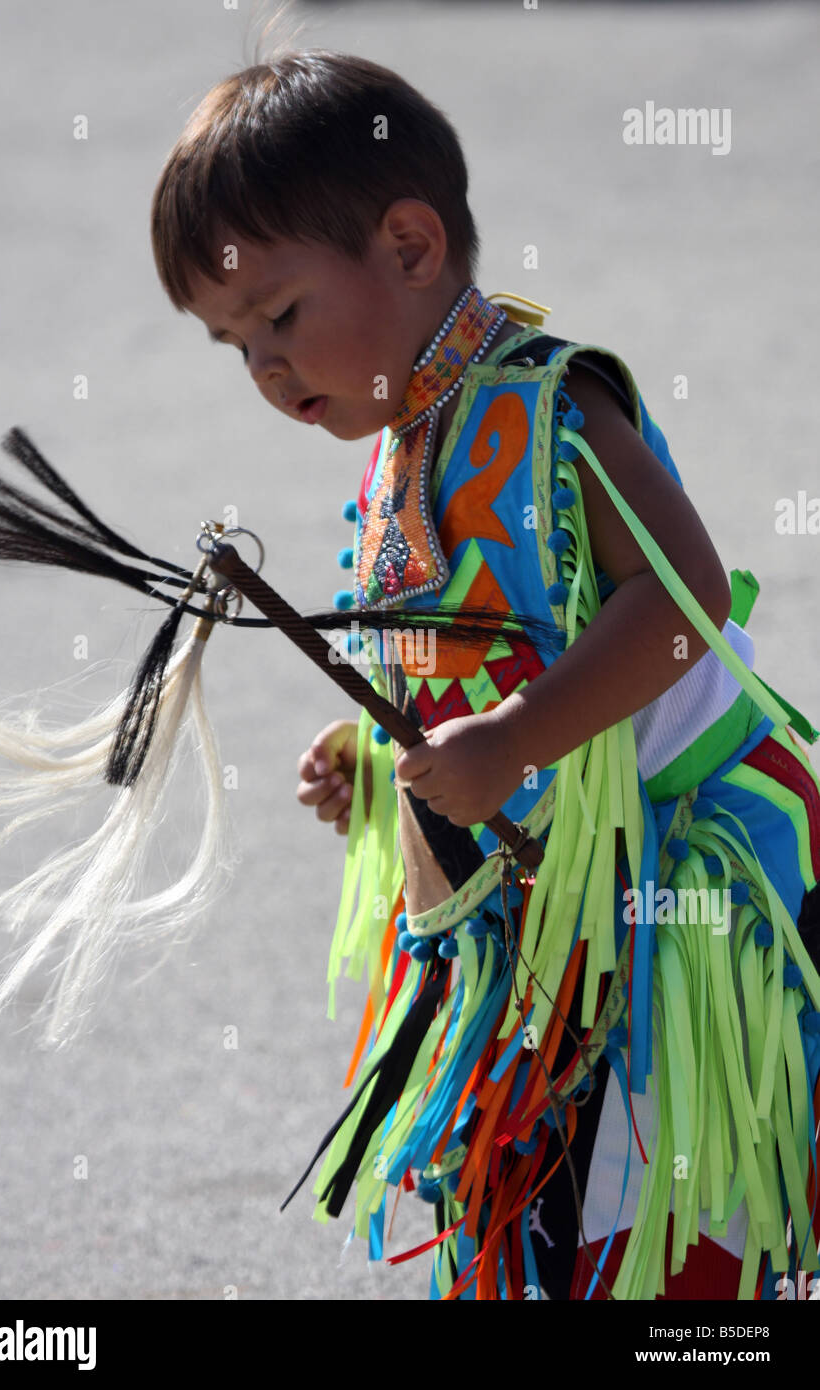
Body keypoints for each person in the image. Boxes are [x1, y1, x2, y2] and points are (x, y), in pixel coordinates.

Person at [150, 49, 820, 1301]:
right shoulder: (403, 448)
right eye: (234, 346)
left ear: (409, 246)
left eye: (280, 317)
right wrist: (377, 758)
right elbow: (462, 652)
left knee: (668, 1226)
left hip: (672, 887)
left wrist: (510, 740)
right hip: (546, 905)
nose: (267, 371)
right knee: (546, 1216)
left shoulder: (557, 408)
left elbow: (674, 610)